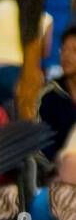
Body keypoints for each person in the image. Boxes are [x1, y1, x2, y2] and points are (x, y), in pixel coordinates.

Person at [37, 25, 76, 161]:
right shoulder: (49, 96)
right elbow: (42, 144)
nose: (66, 56)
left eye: (74, 51)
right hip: (58, 174)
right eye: (63, 50)